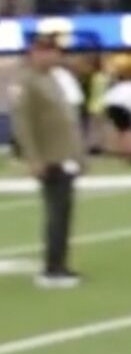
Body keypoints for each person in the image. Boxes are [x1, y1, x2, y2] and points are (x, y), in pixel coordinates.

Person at [12, 32, 86, 289]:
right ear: (35, 52)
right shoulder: (26, 81)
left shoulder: (52, 79)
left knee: (63, 212)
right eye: (48, 51)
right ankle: (53, 268)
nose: (54, 55)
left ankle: (60, 263)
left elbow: (67, 121)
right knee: (56, 212)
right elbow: (23, 124)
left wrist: (78, 155)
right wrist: (33, 157)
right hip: (49, 156)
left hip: (64, 154)